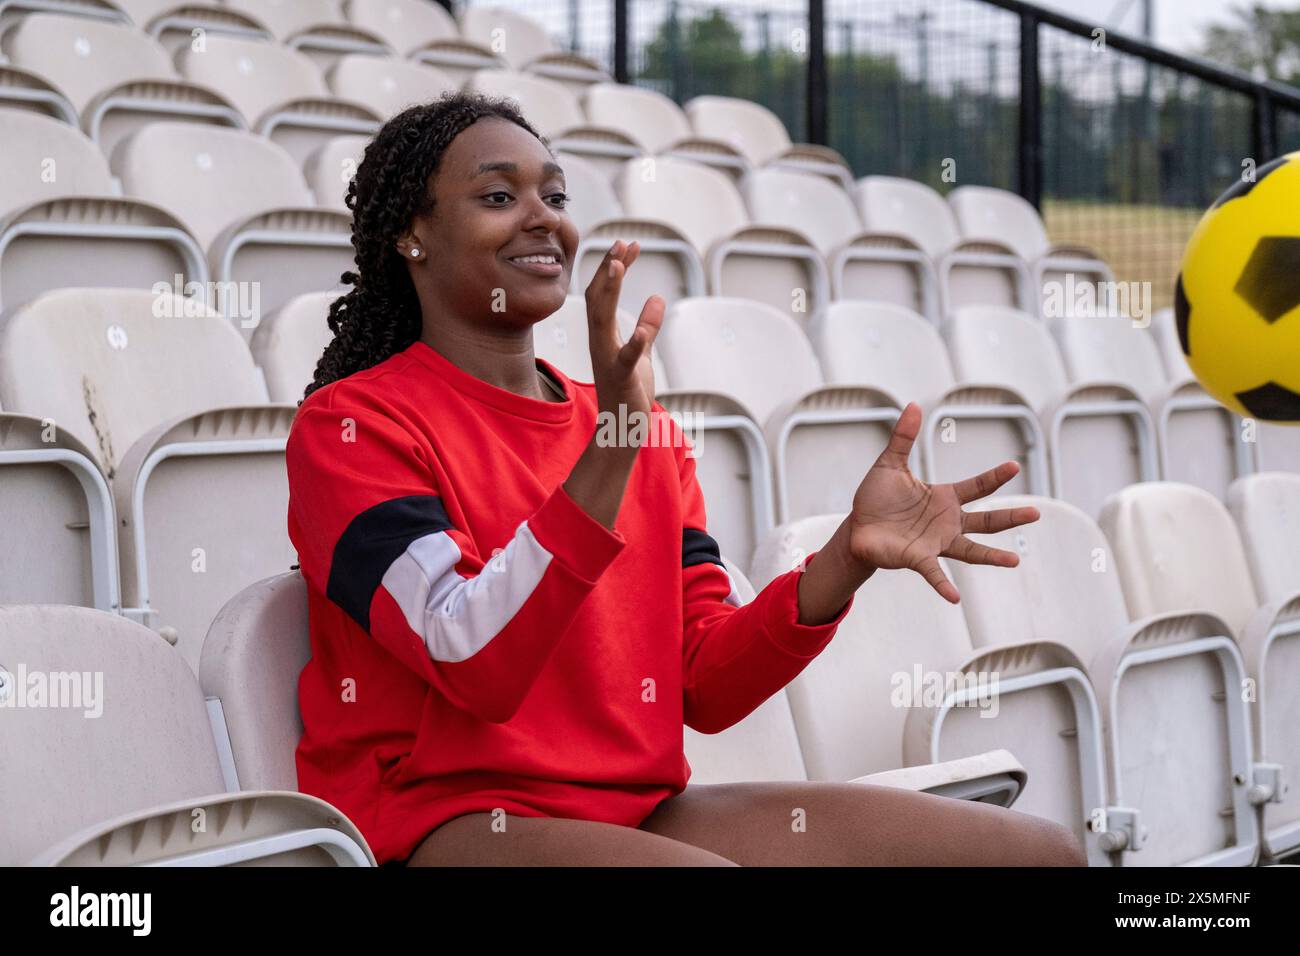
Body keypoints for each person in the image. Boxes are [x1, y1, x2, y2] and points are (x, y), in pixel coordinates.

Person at [285, 91, 1086, 867]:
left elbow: (706, 682)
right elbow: (469, 657)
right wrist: (610, 449)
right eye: (499, 195)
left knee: (1035, 853)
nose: (543, 218)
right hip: (449, 823)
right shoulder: (351, 429)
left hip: (638, 813)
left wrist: (846, 558)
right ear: (409, 235)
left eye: (554, 194)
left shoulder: (638, 430)